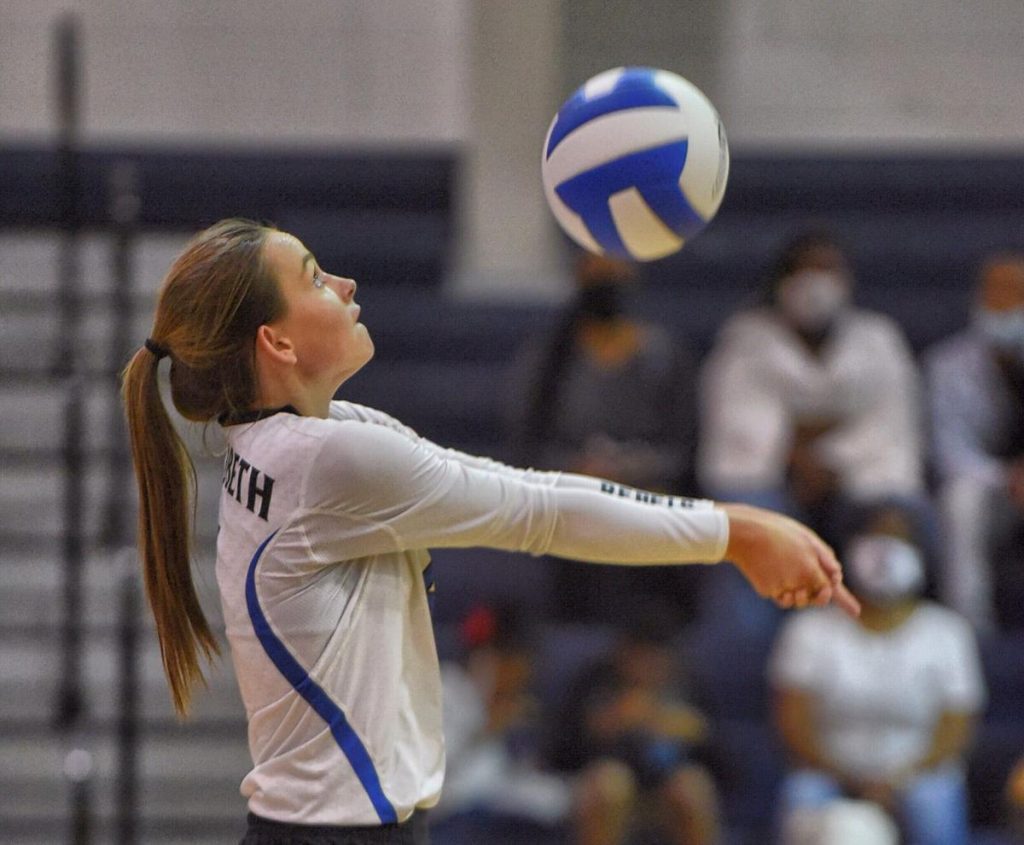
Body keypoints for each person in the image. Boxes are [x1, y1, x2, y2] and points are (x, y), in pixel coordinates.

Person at [121, 218, 858, 845]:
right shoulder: (327, 458)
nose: (344, 283)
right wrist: (731, 529)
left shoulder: (306, 439)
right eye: (315, 279)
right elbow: (539, 509)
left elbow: (525, 496)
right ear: (276, 344)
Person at [769, 500, 985, 845]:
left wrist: (897, 781)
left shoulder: (947, 632)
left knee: (933, 799)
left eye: (899, 538)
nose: (886, 551)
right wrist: (849, 779)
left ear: (921, 553)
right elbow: (793, 723)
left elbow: (955, 730)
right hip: (830, 773)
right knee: (803, 794)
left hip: (918, 774)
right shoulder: (809, 629)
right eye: (876, 536)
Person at [507, 251, 702, 624]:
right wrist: (577, 469)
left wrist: (625, 471)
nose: (607, 275)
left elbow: (684, 449)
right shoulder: (551, 358)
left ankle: (652, 634)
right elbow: (525, 446)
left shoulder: (665, 355)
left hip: (649, 499)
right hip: (567, 497)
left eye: (616, 266)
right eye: (596, 266)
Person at [546, 608, 721, 845]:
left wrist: (696, 733)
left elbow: (727, 771)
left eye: (656, 658)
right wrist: (603, 726)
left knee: (691, 786)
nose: (647, 666)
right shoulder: (594, 682)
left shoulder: (687, 686)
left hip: (664, 793)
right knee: (611, 784)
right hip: (603, 793)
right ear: (623, 653)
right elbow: (557, 755)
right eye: (640, 656)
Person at [924, 251, 1024, 631]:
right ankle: (969, 626)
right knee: (960, 502)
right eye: (996, 293)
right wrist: (1009, 479)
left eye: (1016, 293)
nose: (1005, 304)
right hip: (991, 491)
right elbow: (950, 454)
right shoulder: (947, 366)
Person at [433, 603, 572, 841]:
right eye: (512, 669)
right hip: (452, 815)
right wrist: (485, 729)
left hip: (498, 810)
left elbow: (514, 778)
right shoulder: (446, 689)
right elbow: (432, 779)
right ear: (487, 659)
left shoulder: (513, 705)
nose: (518, 681)